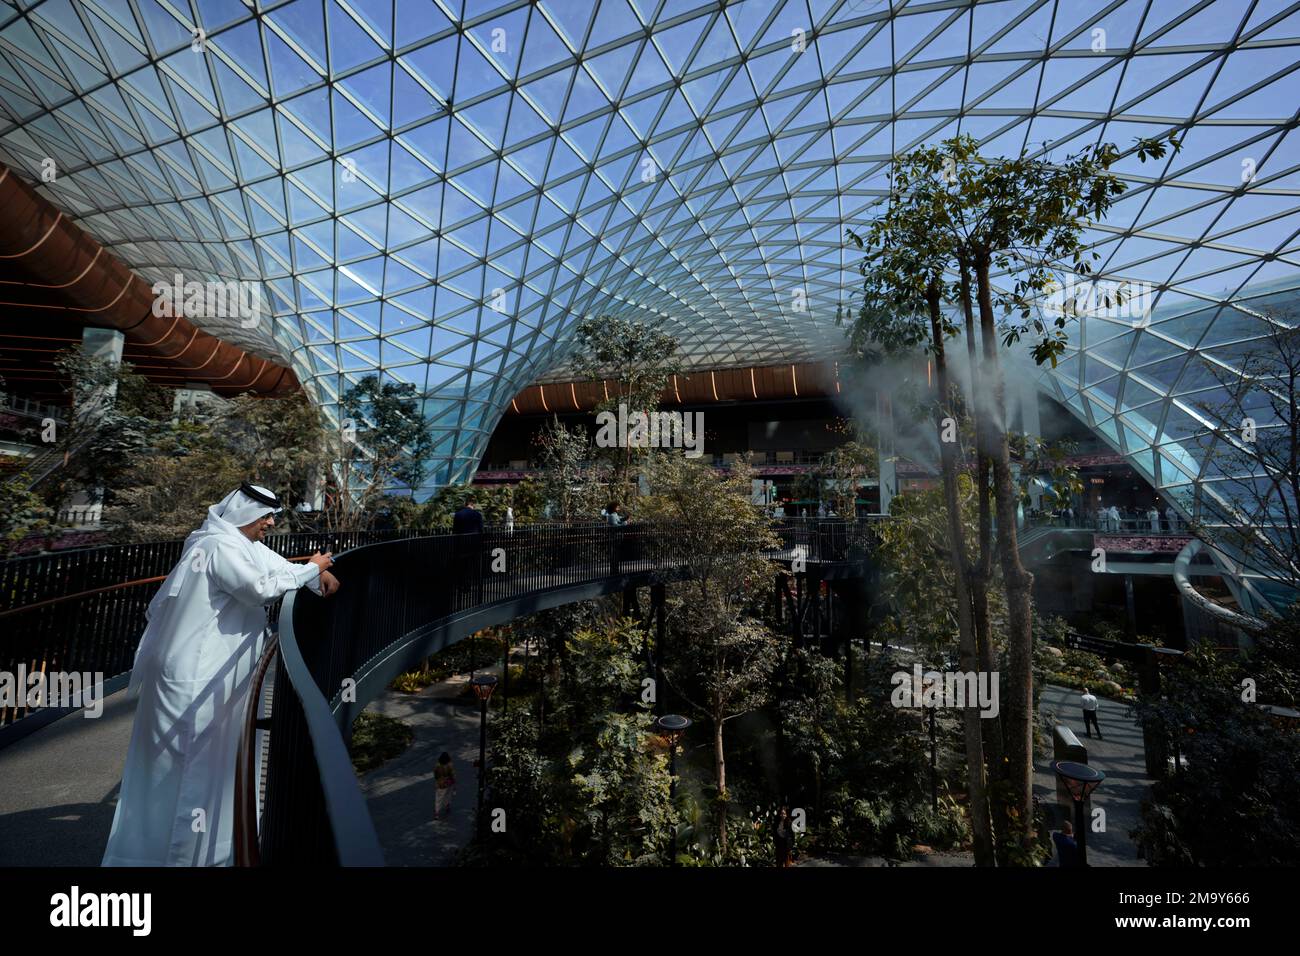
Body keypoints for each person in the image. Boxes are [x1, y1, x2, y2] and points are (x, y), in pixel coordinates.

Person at [102, 484, 338, 867]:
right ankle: (183, 857)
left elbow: (276, 567)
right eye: (266, 516)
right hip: (195, 679)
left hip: (209, 675)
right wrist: (315, 568)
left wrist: (314, 577)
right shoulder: (217, 547)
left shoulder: (234, 542)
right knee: (191, 764)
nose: (271, 523)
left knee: (211, 762)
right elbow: (259, 588)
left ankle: (205, 849)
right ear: (246, 515)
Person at [452, 497, 484, 603]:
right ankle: (469, 587)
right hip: (473, 544)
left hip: (461, 544)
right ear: (472, 505)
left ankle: (461, 586)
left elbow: (455, 530)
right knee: (471, 566)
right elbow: (481, 530)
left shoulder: (458, 514)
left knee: (461, 566)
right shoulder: (477, 515)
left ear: (465, 504)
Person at [433, 752, 456, 818]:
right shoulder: (449, 765)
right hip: (448, 783)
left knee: (438, 798)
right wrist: (454, 781)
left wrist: (438, 779)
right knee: (447, 795)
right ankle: (447, 806)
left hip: (439, 783)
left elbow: (435, 774)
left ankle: (437, 812)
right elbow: (452, 774)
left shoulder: (437, 765)